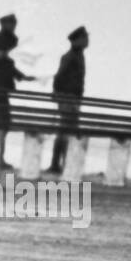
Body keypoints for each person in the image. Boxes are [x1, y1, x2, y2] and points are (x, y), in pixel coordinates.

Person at [0, 14, 36, 172]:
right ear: (4, 24)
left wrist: (22, 76)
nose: (14, 26)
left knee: (3, 123)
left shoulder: (13, 40)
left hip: (2, 86)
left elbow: (9, 65)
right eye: (12, 23)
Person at [47, 26, 89, 174]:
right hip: (68, 98)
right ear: (76, 40)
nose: (87, 41)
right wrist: (57, 93)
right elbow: (59, 76)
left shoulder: (78, 56)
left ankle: (60, 163)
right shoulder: (70, 56)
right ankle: (57, 164)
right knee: (66, 130)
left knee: (66, 130)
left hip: (73, 98)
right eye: (84, 38)